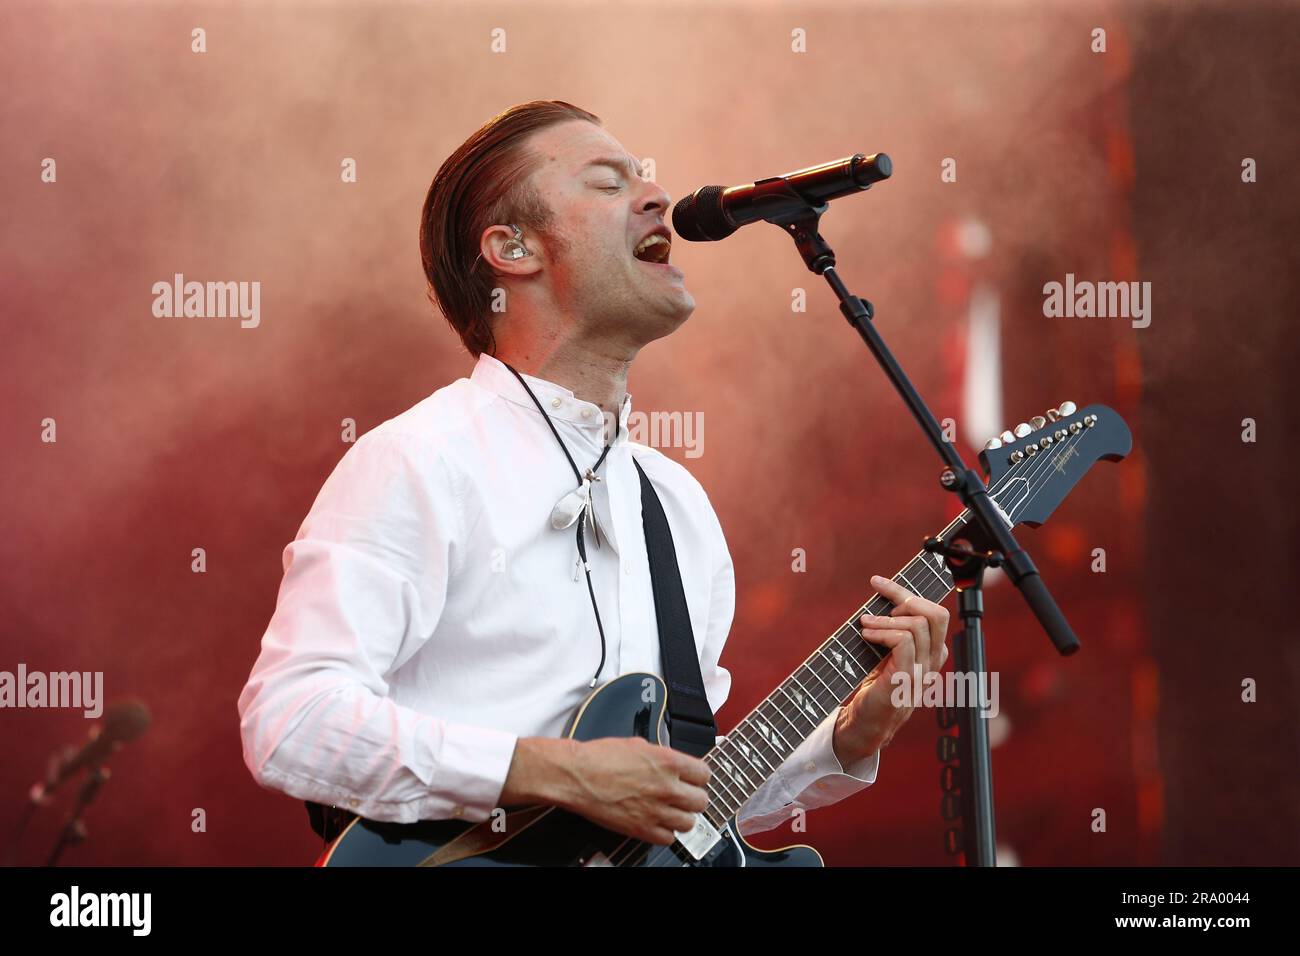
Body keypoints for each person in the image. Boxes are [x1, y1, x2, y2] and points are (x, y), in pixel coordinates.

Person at [237, 100, 950, 856]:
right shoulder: (420, 460)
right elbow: (291, 720)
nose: (656, 196)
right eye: (609, 183)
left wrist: (847, 736)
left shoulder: (677, 506)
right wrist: (556, 772)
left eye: (646, 176)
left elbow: (680, 807)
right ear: (513, 248)